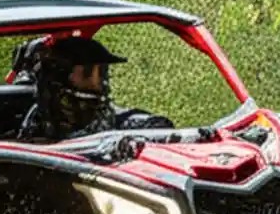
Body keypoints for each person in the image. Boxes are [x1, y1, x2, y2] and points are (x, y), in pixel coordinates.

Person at [16, 36, 174, 141]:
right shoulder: (36, 120)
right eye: (88, 71)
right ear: (62, 74)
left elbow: (130, 121)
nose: (100, 79)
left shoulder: (106, 116)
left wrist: (156, 130)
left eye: (102, 70)